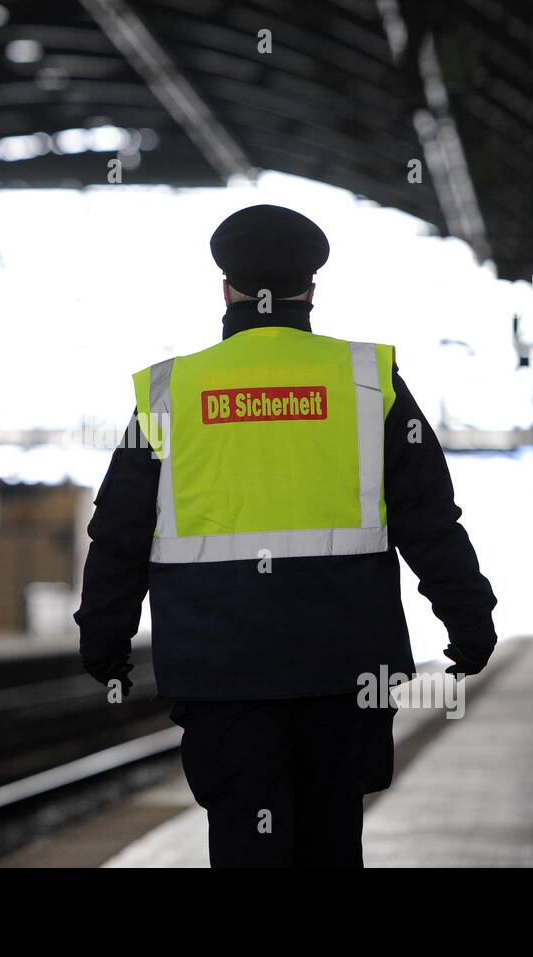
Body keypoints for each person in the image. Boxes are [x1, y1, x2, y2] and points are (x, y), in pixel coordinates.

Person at [73, 204, 498, 867]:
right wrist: (470, 619)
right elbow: (429, 517)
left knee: (247, 842)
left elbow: (121, 531)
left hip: (221, 670)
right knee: (332, 842)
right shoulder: (368, 380)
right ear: (310, 291)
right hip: (349, 666)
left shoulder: (169, 393)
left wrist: (105, 638)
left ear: (226, 289)